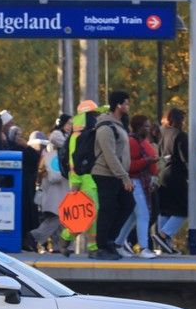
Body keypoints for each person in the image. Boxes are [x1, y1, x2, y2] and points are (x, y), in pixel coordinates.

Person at [92, 90, 135, 260]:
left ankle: (110, 240)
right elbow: (109, 155)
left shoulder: (118, 125)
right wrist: (124, 177)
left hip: (116, 175)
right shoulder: (105, 127)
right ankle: (101, 246)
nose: (127, 106)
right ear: (118, 105)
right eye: (125, 103)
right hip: (105, 174)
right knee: (107, 210)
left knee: (127, 205)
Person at [58, 100, 102, 257]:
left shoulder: (85, 132)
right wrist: (75, 182)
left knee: (89, 212)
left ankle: (90, 247)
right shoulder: (79, 135)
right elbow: (73, 159)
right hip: (80, 177)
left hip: (87, 176)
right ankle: (67, 238)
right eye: (94, 115)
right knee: (90, 210)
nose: (96, 118)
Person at [113, 114, 159, 259]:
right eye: (146, 126)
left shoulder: (141, 141)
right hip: (135, 181)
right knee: (143, 213)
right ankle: (144, 247)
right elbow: (129, 165)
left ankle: (117, 243)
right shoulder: (132, 142)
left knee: (134, 216)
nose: (149, 128)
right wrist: (148, 161)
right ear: (139, 127)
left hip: (142, 181)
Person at [152, 107, 188, 255]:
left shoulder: (162, 133)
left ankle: (165, 246)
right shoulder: (180, 135)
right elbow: (185, 158)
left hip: (162, 175)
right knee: (183, 210)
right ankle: (164, 235)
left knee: (165, 210)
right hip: (176, 176)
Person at [30, 125, 70, 254]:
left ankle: (59, 246)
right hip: (54, 195)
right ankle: (34, 236)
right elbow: (54, 177)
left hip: (57, 194)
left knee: (60, 220)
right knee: (56, 219)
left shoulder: (53, 156)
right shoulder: (54, 156)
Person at [9, 125, 41, 251]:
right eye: (18, 135)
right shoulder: (11, 149)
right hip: (18, 188)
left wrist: (26, 146)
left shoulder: (25, 149)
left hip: (27, 187)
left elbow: (35, 158)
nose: (20, 138)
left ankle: (28, 241)